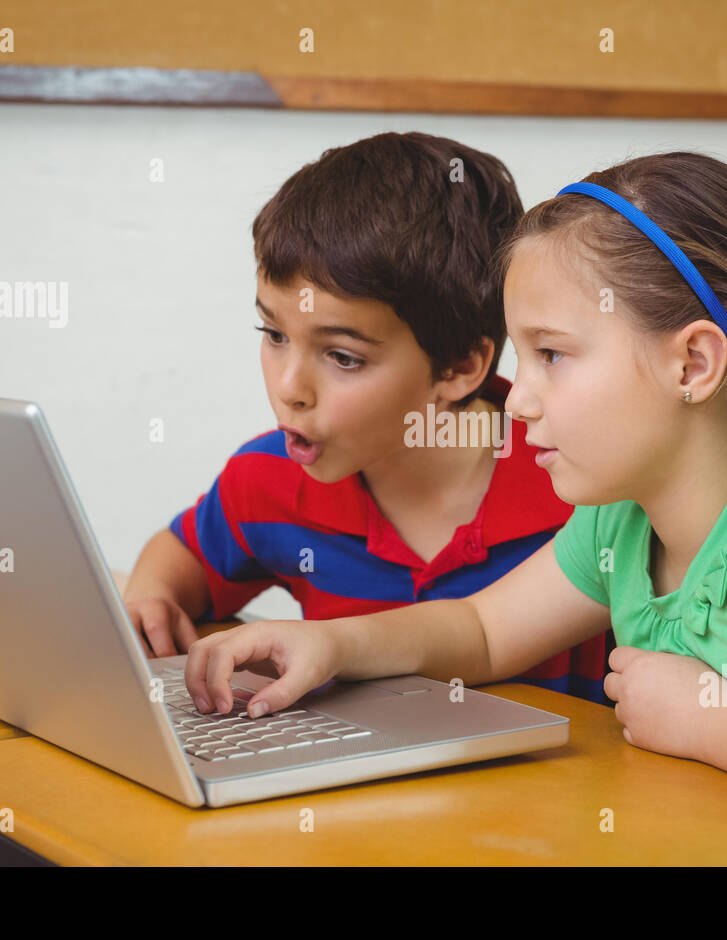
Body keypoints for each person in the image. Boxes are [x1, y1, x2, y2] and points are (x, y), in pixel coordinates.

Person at [181, 150, 727, 839]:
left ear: (692, 362)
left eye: (553, 356)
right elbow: (483, 632)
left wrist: (703, 716)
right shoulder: (617, 527)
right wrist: (328, 645)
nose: (518, 398)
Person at [123, 131, 612, 705]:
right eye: (274, 335)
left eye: (343, 357)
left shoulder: (585, 481)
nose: (289, 389)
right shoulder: (271, 479)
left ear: (459, 365)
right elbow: (185, 554)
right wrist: (151, 592)